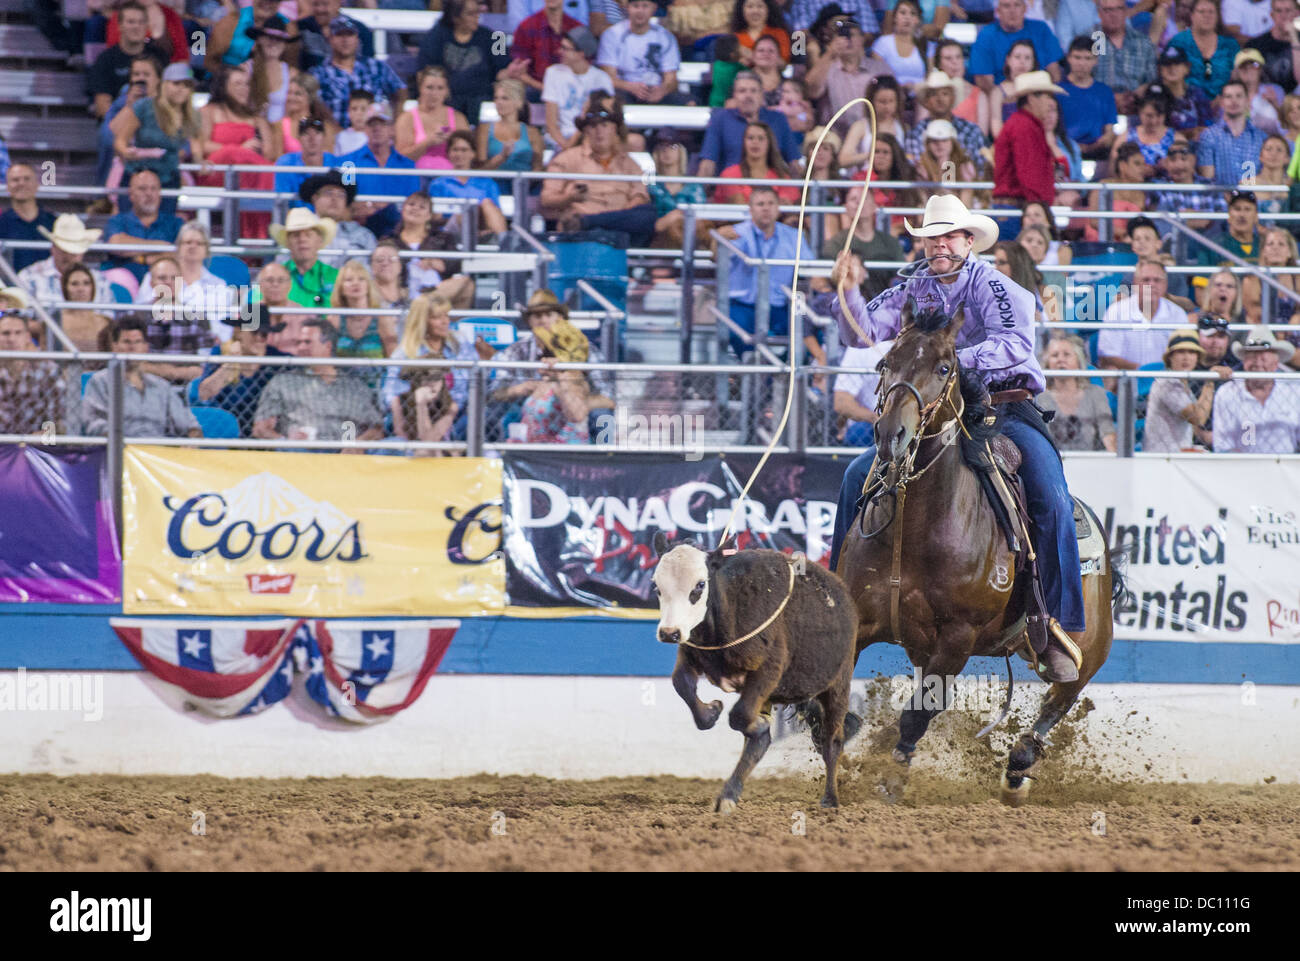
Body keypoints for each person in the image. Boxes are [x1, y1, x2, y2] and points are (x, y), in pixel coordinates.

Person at [828, 193, 1086, 682]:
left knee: (1051, 497)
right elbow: (859, 334)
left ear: (969, 241)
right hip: (934, 417)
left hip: (1004, 408)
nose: (939, 244)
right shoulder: (911, 288)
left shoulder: (999, 286)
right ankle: (836, 600)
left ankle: (1055, 623)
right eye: (930, 237)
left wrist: (945, 363)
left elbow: (1014, 345)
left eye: (948, 235)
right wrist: (848, 291)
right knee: (855, 475)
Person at [540, 100, 656, 245]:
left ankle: (589, 222)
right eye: (593, 126)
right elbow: (547, 199)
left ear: (614, 129)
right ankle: (588, 222)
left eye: (605, 125)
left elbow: (640, 196)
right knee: (572, 223)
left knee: (648, 213)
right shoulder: (566, 159)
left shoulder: (630, 164)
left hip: (619, 228)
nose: (599, 131)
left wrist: (618, 217)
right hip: (581, 228)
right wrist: (569, 198)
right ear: (586, 131)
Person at [253, 319, 386, 444]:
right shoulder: (282, 382)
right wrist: (285, 440)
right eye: (298, 343)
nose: (300, 348)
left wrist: (356, 445)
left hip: (346, 450)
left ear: (327, 346)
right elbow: (260, 428)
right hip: (301, 451)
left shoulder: (355, 387)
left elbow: (377, 430)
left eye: (307, 342)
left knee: (397, 444)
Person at [382, 291, 479, 450]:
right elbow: (393, 396)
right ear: (422, 321)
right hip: (413, 415)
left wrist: (448, 416)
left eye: (446, 316)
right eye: (437, 317)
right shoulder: (404, 353)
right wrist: (402, 431)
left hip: (456, 414)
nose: (445, 322)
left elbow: (468, 387)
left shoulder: (459, 343)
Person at [715, 187, 804, 357]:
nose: (766, 208)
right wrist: (718, 241)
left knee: (805, 330)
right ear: (751, 210)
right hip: (742, 304)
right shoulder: (736, 233)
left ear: (778, 208)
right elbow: (717, 257)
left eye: (771, 203)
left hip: (781, 305)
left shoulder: (794, 236)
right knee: (736, 332)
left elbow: (811, 273)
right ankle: (754, 371)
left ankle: (777, 376)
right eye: (760, 204)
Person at [82, 316, 201, 439]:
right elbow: (93, 422)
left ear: (145, 347)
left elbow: (189, 424)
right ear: (115, 346)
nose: (132, 348)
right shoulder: (100, 382)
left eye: (138, 342)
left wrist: (193, 438)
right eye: (126, 342)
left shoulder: (161, 386)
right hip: (118, 450)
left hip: (156, 451)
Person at [112, 62, 202, 219]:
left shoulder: (191, 115)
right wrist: (127, 152)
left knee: (164, 224)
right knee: (129, 220)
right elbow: (120, 141)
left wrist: (200, 161)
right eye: (176, 83)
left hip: (168, 177)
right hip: (138, 173)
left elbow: (196, 146)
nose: (181, 89)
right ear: (164, 84)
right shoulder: (144, 107)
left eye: (187, 85)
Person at [196, 66, 276, 238]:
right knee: (236, 154)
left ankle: (258, 228)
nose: (243, 89)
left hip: (248, 171)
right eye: (237, 84)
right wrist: (239, 149)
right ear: (224, 86)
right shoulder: (208, 111)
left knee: (265, 168)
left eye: (246, 84)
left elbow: (269, 153)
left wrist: (252, 150)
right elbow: (202, 146)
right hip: (216, 171)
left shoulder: (256, 118)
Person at [193, 303, 291, 437]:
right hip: (226, 430)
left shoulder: (277, 359)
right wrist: (231, 364)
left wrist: (259, 361)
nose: (259, 338)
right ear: (239, 331)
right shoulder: (221, 353)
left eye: (264, 334)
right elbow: (204, 393)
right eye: (254, 332)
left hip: (265, 433)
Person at [415, 0, 512, 125]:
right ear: (456, 17)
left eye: (477, 12)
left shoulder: (495, 37)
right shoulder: (435, 37)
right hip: (447, 100)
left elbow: (502, 70)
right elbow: (425, 72)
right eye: (470, 14)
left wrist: (511, 71)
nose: (477, 17)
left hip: (483, 100)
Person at [337, 103, 423, 239]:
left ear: (392, 129)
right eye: (371, 124)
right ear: (365, 129)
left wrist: (383, 207)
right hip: (359, 228)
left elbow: (413, 199)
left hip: (398, 230)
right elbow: (345, 196)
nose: (376, 128)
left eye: (382, 124)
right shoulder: (349, 163)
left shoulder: (407, 166)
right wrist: (359, 207)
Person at [1212, 327, 1300, 451]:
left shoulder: (1294, 392)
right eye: (1252, 357)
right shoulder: (1227, 393)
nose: (1258, 363)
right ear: (1244, 362)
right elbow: (1223, 444)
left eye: (1263, 358)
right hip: (1242, 466)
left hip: (1285, 466)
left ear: (1275, 364)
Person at [310, 16, 405, 130]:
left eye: (350, 35)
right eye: (339, 35)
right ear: (330, 40)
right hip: (337, 137)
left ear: (357, 39)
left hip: (374, 136)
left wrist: (395, 125)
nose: (345, 40)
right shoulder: (319, 73)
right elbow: (317, 106)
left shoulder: (376, 67)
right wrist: (335, 131)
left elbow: (401, 91)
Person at [803, 12, 889, 137]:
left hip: (872, 134)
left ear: (862, 39)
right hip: (834, 137)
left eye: (851, 34)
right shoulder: (826, 67)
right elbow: (811, 91)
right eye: (841, 35)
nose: (847, 40)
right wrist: (830, 54)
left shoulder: (880, 68)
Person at [993, 70, 1067, 214]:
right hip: (1020, 207)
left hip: (1021, 206)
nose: (1049, 102)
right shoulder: (1024, 127)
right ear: (1032, 98)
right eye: (1047, 96)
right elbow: (1029, 173)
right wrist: (1039, 207)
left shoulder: (1026, 124)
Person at [1097, 258, 1189, 368]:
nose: (1152, 284)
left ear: (1165, 284)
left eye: (1157, 280)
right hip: (1127, 379)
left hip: (1168, 379)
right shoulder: (1116, 311)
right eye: (1146, 280)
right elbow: (1108, 356)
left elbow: (1184, 355)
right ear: (1135, 283)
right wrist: (1143, 372)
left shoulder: (1178, 314)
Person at [818, 187, 905, 300]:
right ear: (846, 207)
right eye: (853, 199)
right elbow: (824, 278)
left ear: (875, 206)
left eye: (864, 198)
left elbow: (901, 276)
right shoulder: (837, 243)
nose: (859, 202)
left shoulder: (890, 243)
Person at [1035, 333, 1118, 452]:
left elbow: (1108, 434)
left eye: (1067, 355)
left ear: (1079, 362)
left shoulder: (1095, 394)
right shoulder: (1040, 398)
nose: (1060, 359)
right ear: (1048, 363)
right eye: (1054, 355)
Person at [87, 2, 167, 122]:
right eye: (131, 22)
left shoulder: (160, 57)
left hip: (154, 122)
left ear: (147, 26)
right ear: (120, 26)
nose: (136, 26)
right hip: (117, 123)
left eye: (141, 22)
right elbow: (102, 107)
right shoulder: (105, 59)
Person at [597, 0, 689, 105]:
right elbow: (608, 77)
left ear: (654, 9)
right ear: (627, 8)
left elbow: (671, 79)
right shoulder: (612, 35)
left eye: (645, 6)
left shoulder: (665, 36)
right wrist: (630, 87)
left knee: (689, 102)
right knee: (613, 101)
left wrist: (662, 90)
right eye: (635, 6)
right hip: (625, 89)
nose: (640, 11)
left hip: (656, 89)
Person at [103, 168, 184, 281]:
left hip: (165, 286)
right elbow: (117, 244)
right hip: (125, 285)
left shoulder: (176, 223)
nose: (149, 194)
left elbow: (182, 254)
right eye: (142, 189)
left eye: (153, 188)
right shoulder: (117, 221)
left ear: (159, 194)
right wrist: (162, 246)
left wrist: (142, 259)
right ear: (131, 195)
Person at [542, 27, 615, 150]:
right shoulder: (553, 73)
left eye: (565, 49)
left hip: (591, 136)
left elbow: (604, 119)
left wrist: (572, 144)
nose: (560, 51)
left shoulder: (602, 79)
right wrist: (566, 147)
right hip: (560, 138)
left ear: (581, 54)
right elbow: (551, 124)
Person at [969, 0, 1063, 95]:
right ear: (998, 11)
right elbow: (983, 80)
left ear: (1025, 9)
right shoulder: (986, 35)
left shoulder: (1041, 29)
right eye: (1006, 6)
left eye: (1017, 5)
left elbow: (1054, 72)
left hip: (1039, 95)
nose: (1012, 11)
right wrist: (1001, 98)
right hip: (1004, 97)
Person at [1144, 328, 1216, 451]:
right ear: (1170, 357)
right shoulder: (1167, 383)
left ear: (1197, 358)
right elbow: (1198, 418)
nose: (1186, 357)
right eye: (1181, 352)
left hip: (1175, 455)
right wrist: (1210, 382)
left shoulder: (1182, 383)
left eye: (1191, 352)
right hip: (1161, 459)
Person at [428, 132, 510, 239]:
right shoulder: (438, 183)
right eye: (455, 150)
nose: (459, 154)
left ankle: (503, 243)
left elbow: (496, 213)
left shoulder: (487, 183)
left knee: (486, 203)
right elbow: (436, 219)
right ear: (448, 153)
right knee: (465, 212)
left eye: (464, 150)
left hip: (484, 230)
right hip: (451, 233)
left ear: (473, 154)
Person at [18, 215, 110, 309]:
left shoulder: (99, 280)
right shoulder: (29, 276)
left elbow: (108, 317)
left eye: (75, 252)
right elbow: (23, 315)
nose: (70, 256)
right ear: (53, 248)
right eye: (65, 251)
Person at [0, 308, 64, 435]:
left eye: (18, 333)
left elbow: (58, 419)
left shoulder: (48, 370)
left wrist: (45, 437)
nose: (12, 339)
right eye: (6, 333)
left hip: (37, 448)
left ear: (27, 337)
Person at [908, 73, 989, 171]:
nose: (940, 99)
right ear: (926, 101)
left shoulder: (972, 130)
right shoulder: (916, 133)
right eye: (934, 94)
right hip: (929, 184)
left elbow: (981, 167)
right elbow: (915, 167)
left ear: (953, 98)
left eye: (945, 94)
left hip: (964, 184)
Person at [396, 66, 471, 171]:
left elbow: (469, 156)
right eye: (429, 87)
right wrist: (427, 143)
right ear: (421, 88)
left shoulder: (458, 118)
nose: (434, 93)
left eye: (440, 88)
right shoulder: (407, 119)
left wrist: (452, 142)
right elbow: (400, 158)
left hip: (451, 179)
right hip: (417, 179)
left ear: (447, 91)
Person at [299, 170, 378, 268]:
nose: (334, 198)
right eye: (328, 193)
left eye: (341, 195)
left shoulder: (363, 236)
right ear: (314, 198)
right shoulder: (298, 233)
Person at [329, 258, 398, 370]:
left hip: (376, 384)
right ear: (340, 288)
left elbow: (393, 358)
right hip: (342, 384)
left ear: (368, 285)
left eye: (361, 279)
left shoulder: (382, 318)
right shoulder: (334, 319)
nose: (355, 283)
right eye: (349, 280)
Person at [1093, 0, 1158, 114]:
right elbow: (1082, 79)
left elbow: (1152, 80)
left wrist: (1134, 95)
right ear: (1099, 13)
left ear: (1125, 11)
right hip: (1099, 108)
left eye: (1119, 9)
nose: (1114, 14)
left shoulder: (1143, 42)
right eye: (1108, 10)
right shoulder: (1091, 39)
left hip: (1136, 107)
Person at [1166, 0, 1241, 98]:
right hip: (1187, 102)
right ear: (1192, 15)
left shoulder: (1230, 45)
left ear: (1217, 16)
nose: (1207, 16)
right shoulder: (1178, 42)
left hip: (1225, 103)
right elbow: (1168, 75)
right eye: (1201, 11)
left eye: (1211, 12)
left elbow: (1238, 78)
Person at [1150, 137, 1226, 232]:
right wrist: (1190, 221)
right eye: (1173, 160)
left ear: (1193, 161)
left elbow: (1223, 222)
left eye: (1184, 159)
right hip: (1174, 244)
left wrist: (1198, 219)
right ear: (1166, 163)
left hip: (1209, 243)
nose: (1178, 165)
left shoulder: (1211, 187)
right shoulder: (1159, 189)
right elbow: (1159, 224)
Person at [714, 122, 800, 205]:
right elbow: (738, 205)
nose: (755, 142)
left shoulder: (782, 177)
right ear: (744, 142)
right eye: (750, 138)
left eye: (761, 138)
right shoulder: (729, 175)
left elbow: (788, 205)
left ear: (769, 143)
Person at [512, 0, 584, 97]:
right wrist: (548, 92)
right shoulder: (526, 27)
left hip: (573, 93)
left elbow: (585, 68)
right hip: (535, 93)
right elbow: (520, 73)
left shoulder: (577, 28)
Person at [272, 207, 340, 308]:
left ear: (319, 241)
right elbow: (252, 317)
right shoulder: (271, 277)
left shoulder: (337, 277)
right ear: (287, 242)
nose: (302, 239)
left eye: (308, 235)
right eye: (296, 235)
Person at [208, 0, 299, 71]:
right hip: (226, 82)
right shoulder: (231, 21)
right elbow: (210, 61)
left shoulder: (289, 29)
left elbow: (291, 67)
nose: (267, 2)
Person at [0, 163, 57, 273]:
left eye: (27, 179)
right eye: (15, 180)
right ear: (7, 187)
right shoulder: (1, 224)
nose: (21, 183)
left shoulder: (54, 222)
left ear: (37, 184)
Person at [1150, 47, 1215, 139]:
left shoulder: (1197, 93)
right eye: (1167, 64)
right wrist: (1189, 133)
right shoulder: (1154, 94)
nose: (1172, 68)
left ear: (1187, 68)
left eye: (1177, 63)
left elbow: (1207, 127)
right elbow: (1154, 130)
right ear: (1160, 69)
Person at [479, 79, 543, 172]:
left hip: (523, 184)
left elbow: (538, 167)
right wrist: (501, 157)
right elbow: (480, 169)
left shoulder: (532, 132)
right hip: (492, 184)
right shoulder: (485, 129)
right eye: (496, 98)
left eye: (505, 98)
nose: (499, 102)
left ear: (518, 102)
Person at [274, 117, 340, 207]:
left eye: (317, 133)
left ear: (324, 137)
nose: (312, 139)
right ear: (298, 138)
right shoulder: (285, 163)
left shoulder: (337, 163)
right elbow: (282, 203)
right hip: (295, 218)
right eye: (306, 133)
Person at [296, 0, 377, 71]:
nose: (320, 9)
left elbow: (368, 66)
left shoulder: (358, 30)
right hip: (310, 82)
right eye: (316, 4)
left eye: (325, 4)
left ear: (338, 3)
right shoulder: (302, 27)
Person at [273, 74, 339, 159]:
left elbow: (328, 158)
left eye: (298, 94)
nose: (291, 97)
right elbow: (278, 158)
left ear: (310, 97)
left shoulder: (325, 127)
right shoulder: (279, 125)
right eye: (289, 93)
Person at [1243, 226, 1300, 323]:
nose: (1275, 248)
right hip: (1263, 330)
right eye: (1270, 244)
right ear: (1263, 251)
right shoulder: (1251, 281)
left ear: (1290, 252)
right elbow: (1254, 313)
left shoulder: (1297, 279)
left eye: (1281, 244)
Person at [917, 120, 979, 208]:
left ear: (952, 142)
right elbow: (922, 203)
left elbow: (966, 204)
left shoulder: (964, 166)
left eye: (944, 140)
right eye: (934, 140)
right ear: (928, 144)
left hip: (957, 214)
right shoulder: (922, 167)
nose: (939, 144)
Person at [934, 38, 991, 135]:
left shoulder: (980, 95)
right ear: (939, 64)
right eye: (948, 58)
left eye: (958, 57)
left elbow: (982, 136)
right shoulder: (930, 93)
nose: (955, 62)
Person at [1245, 0, 1300, 95]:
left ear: (1296, 13)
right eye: (1279, 11)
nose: (1283, 15)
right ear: (1271, 15)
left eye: (1288, 10)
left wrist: (1294, 38)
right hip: (1266, 97)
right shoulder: (1255, 44)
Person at [247, 17, 296, 124]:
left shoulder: (291, 73)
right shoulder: (245, 69)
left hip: (280, 132)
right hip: (250, 127)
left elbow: (294, 111)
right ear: (259, 39)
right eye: (269, 37)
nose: (273, 43)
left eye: (279, 39)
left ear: (285, 44)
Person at [1197, 188, 1263, 266]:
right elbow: (1201, 277)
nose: (1242, 214)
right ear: (1229, 215)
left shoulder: (1266, 246)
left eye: (1247, 209)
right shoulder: (1213, 247)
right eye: (1237, 209)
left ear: (1256, 217)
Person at [871, 0, 928, 90]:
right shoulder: (882, 44)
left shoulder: (925, 45)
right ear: (895, 17)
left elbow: (930, 79)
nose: (907, 17)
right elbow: (878, 78)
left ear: (917, 20)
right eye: (903, 13)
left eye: (913, 14)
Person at [1113, 88, 1175, 168]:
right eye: (1149, 116)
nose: (1154, 121)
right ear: (1140, 112)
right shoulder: (1124, 139)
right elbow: (1115, 170)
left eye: (1158, 116)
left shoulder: (1176, 139)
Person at [990, 39, 1039, 139]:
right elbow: (996, 127)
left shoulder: (1040, 88)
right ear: (1008, 60)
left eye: (1027, 58)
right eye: (1017, 57)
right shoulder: (998, 91)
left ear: (1033, 62)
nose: (1022, 62)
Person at [59, 265, 114, 353]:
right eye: (74, 284)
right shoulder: (55, 321)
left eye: (86, 283)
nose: (81, 289)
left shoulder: (105, 322)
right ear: (65, 288)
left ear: (93, 288)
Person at [1233, 47, 1285, 136]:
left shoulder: (1275, 90)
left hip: (1272, 142)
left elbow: (1288, 125)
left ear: (1261, 69)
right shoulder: (1231, 94)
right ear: (1237, 72)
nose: (1249, 69)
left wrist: (1275, 105)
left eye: (1254, 65)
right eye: (1243, 66)